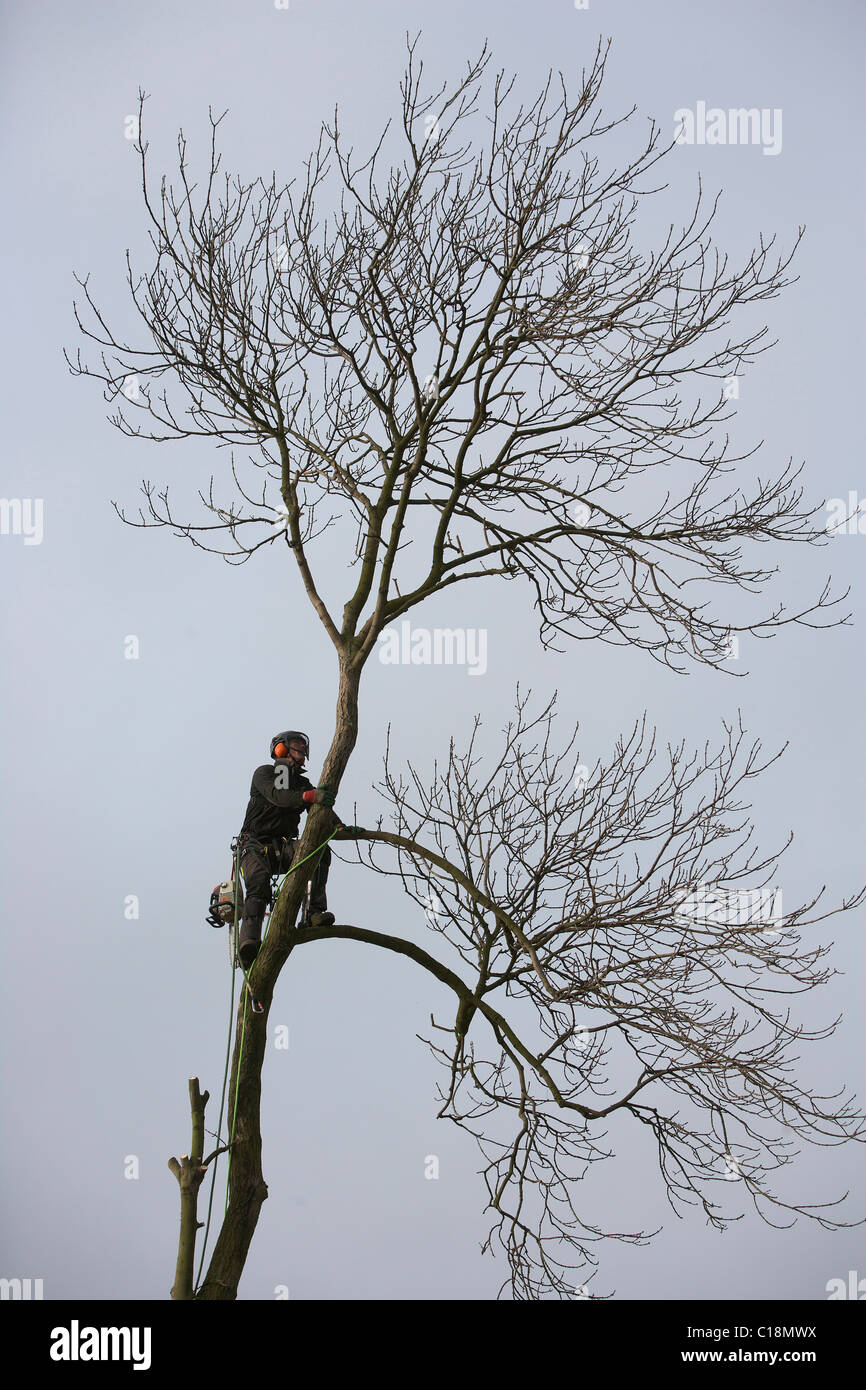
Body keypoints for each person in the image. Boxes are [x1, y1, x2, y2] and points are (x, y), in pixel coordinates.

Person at [236, 730, 347, 969]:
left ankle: (313, 914)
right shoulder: (267, 773)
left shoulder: (301, 783)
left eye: (301, 745)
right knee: (258, 885)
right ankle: (248, 944)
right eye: (295, 745)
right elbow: (280, 796)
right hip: (255, 844)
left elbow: (320, 811)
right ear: (281, 748)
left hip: (284, 846)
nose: (301, 750)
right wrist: (310, 796)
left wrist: (339, 826)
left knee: (319, 851)